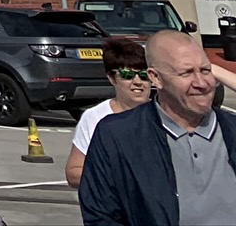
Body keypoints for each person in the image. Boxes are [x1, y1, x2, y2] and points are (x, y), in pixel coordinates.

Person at [80, 31, 236, 226]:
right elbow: (101, 216)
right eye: (186, 73)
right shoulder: (117, 135)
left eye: (205, 70)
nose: (201, 83)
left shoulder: (231, 129)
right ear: (156, 78)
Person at [69, 37, 154, 188]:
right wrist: (118, 179)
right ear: (112, 78)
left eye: (144, 75)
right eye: (128, 75)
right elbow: (74, 173)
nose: (138, 82)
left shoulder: (163, 115)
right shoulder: (94, 117)